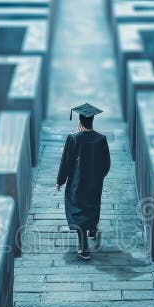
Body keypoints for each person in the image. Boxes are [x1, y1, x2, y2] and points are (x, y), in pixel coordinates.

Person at [56, 103, 111, 260]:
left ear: (79, 121)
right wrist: (99, 176)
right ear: (93, 120)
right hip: (94, 182)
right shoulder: (101, 139)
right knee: (92, 206)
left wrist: (60, 181)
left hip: (76, 183)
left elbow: (66, 161)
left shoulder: (73, 139)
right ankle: (92, 227)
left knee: (78, 210)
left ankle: (83, 247)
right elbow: (106, 163)